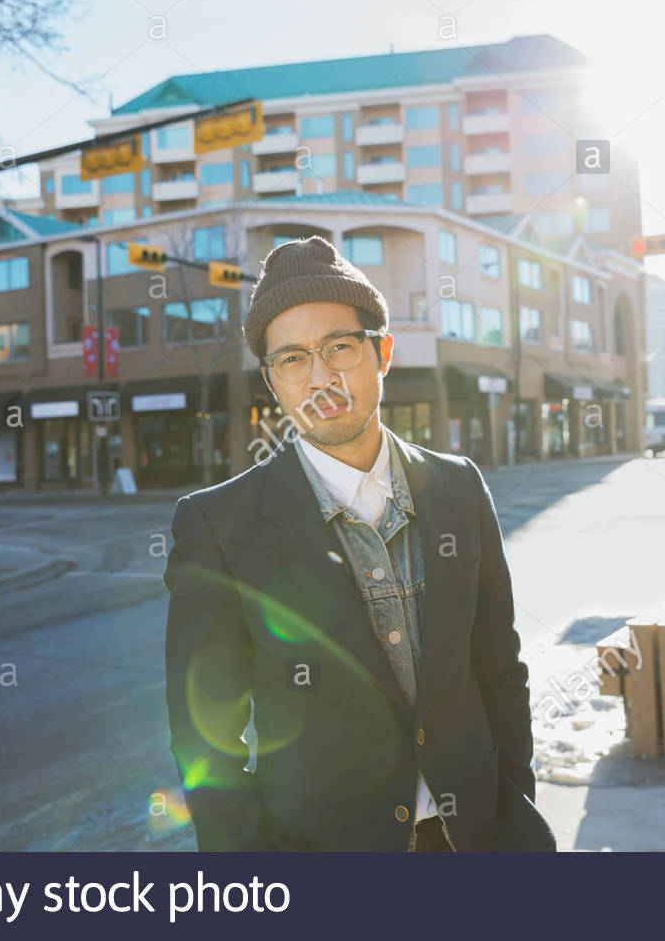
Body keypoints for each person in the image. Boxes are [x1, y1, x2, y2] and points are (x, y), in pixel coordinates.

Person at [162, 236, 555, 852]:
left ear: (383, 353)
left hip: (475, 836)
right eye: (292, 359)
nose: (320, 376)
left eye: (339, 347)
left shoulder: (458, 488)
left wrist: (512, 804)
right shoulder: (218, 525)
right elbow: (203, 733)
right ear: (271, 381)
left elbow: (499, 670)